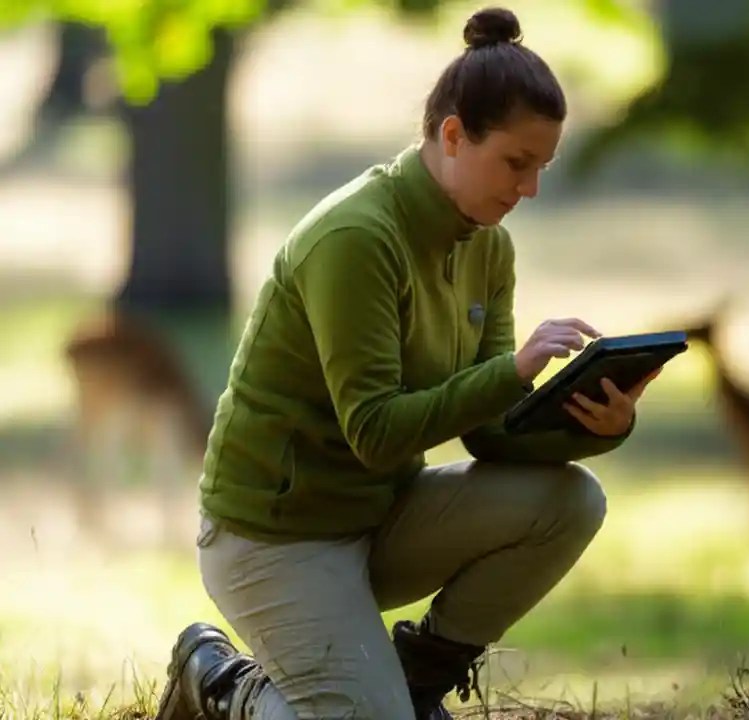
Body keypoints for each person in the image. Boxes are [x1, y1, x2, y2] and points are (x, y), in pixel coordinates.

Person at [152, 7, 659, 720]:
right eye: (516, 162)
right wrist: (511, 372)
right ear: (453, 135)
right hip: (274, 538)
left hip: (380, 516)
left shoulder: (486, 245)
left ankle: (417, 680)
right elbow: (375, 430)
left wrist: (600, 423)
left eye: (541, 167)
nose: (529, 188)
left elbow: (489, 434)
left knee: (573, 501)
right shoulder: (357, 238)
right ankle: (221, 682)